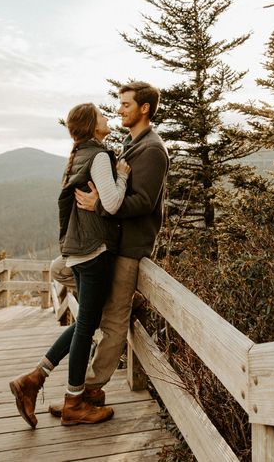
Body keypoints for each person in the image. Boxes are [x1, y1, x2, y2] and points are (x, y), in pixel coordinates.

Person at [48, 80, 169, 417]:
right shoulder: (133, 144)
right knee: (88, 306)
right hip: (108, 245)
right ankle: (72, 389)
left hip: (130, 247)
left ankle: (88, 391)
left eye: (126, 104)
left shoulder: (153, 149)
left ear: (144, 108)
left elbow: (143, 202)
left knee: (114, 320)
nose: (119, 110)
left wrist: (100, 205)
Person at [9, 102, 131, 428]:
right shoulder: (100, 156)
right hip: (95, 253)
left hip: (77, 252)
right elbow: (114, 202)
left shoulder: (78, 154)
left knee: (84, 323)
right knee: (87, 327)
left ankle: (34, 379)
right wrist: (120, 177)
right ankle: (74, 402)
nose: (108, 117)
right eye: (102, 116)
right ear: (93, 125)